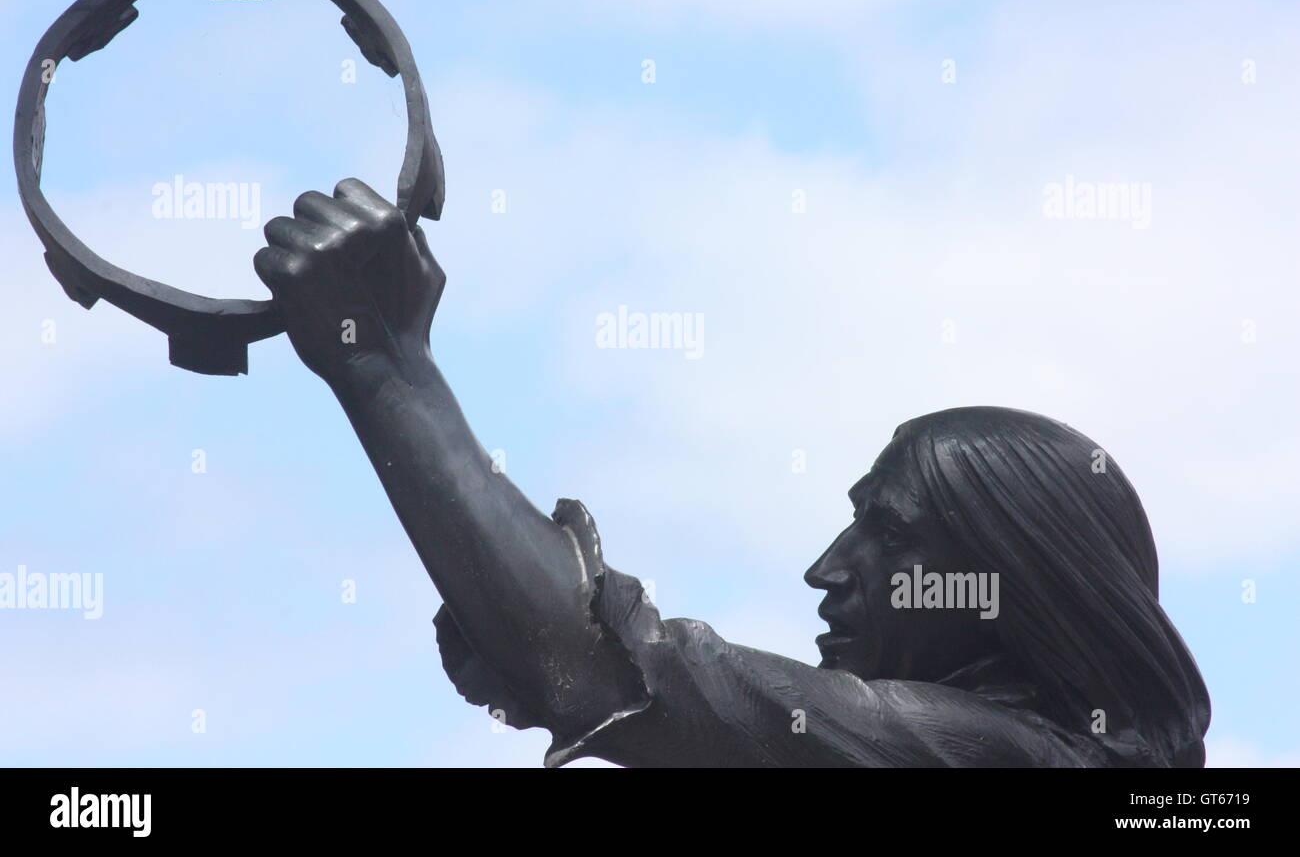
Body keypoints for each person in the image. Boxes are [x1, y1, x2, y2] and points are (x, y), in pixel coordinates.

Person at [254, 179, 1211, 768]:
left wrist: (383, 363)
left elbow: (598, 665)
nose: (828, 569)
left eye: (894, 536)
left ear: (1010, 588)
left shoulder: (998, 758)